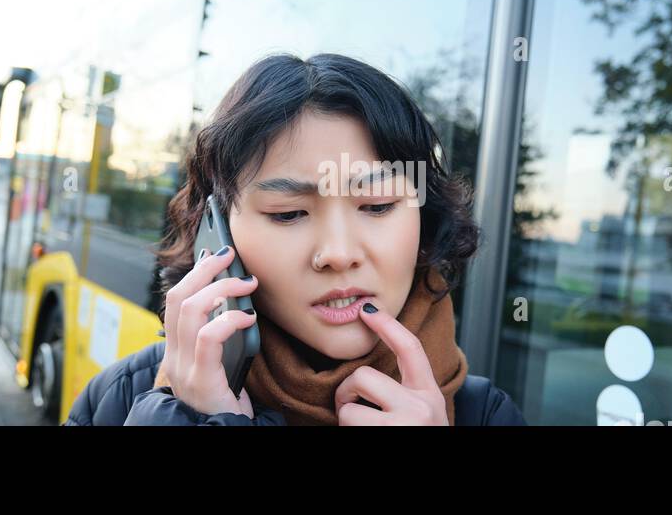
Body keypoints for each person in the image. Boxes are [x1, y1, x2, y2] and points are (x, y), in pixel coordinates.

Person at [64, 53, 526, 426]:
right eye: (289, 215)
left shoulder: (486, 415)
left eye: (378, 206)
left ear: (425, 222)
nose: (339, 254)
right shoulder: (124, 396)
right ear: (218, 232)